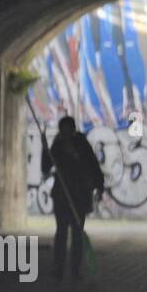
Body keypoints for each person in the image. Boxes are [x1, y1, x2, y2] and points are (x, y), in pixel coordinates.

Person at [41, 115, 104, 281]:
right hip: (62, 196)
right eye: (63, 132)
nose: (66, 135)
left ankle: (75, 270)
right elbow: (46, 167)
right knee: (61, 232)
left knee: (77, 233)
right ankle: (58, 270)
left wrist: (99, 186)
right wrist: (45, 150)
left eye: (69, 131)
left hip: (79, 196)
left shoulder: (81, 144)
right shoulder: (58, 144)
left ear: (73, 131)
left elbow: (93, 165)